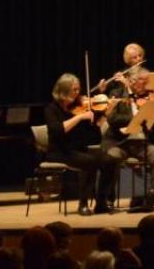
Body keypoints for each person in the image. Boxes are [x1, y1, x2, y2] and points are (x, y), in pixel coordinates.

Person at [45, 73, 120, 215]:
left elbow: (95, 129)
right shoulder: (52, 109)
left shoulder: (80, 106)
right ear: (63, 90)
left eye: (78, 89)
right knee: (90, 161)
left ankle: (101, 202)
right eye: (74, 90)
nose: (78, 93)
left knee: (110, 160)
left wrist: (105, 113)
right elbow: (58, 130)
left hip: (78, 150)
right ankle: (83, 204)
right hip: (59, 152)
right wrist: (79, 117)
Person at [102, 68, 154, 209]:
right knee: (112, 158)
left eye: (147, 82)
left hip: (141, 143)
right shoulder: (117, 94)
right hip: (120, 143)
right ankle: (108, 198)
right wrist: (137, 116)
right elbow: (112, 119)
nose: (147, 86)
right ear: (132, 82)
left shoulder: (148, 97)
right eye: (143, 82)